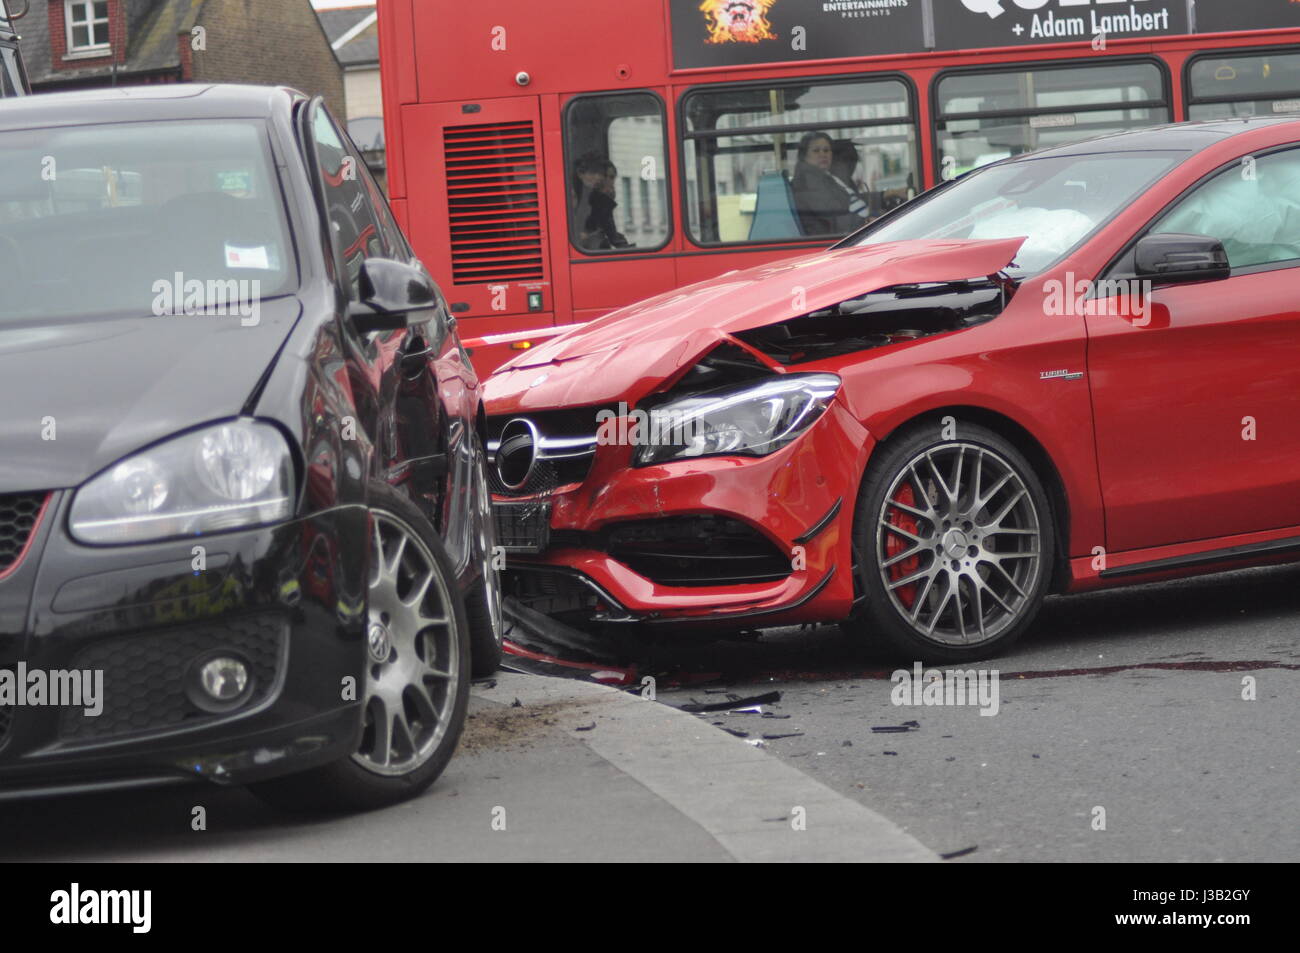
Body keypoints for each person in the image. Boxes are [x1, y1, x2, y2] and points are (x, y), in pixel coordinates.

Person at [791, 132, 872, 236]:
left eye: (826, 150)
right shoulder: (807, 182)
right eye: (816, 150)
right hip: (840, 238)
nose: (823, 154)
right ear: (804, 156)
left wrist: (883, 196)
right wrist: (866, 223)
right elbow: (834, 217)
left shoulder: (824, 175)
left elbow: (847, 200)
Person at [571, 152, 628, 250]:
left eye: (600, 173)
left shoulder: (597, 198)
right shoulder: (573, 194)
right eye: (593, 173)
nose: (598, 177)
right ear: (580, 173)